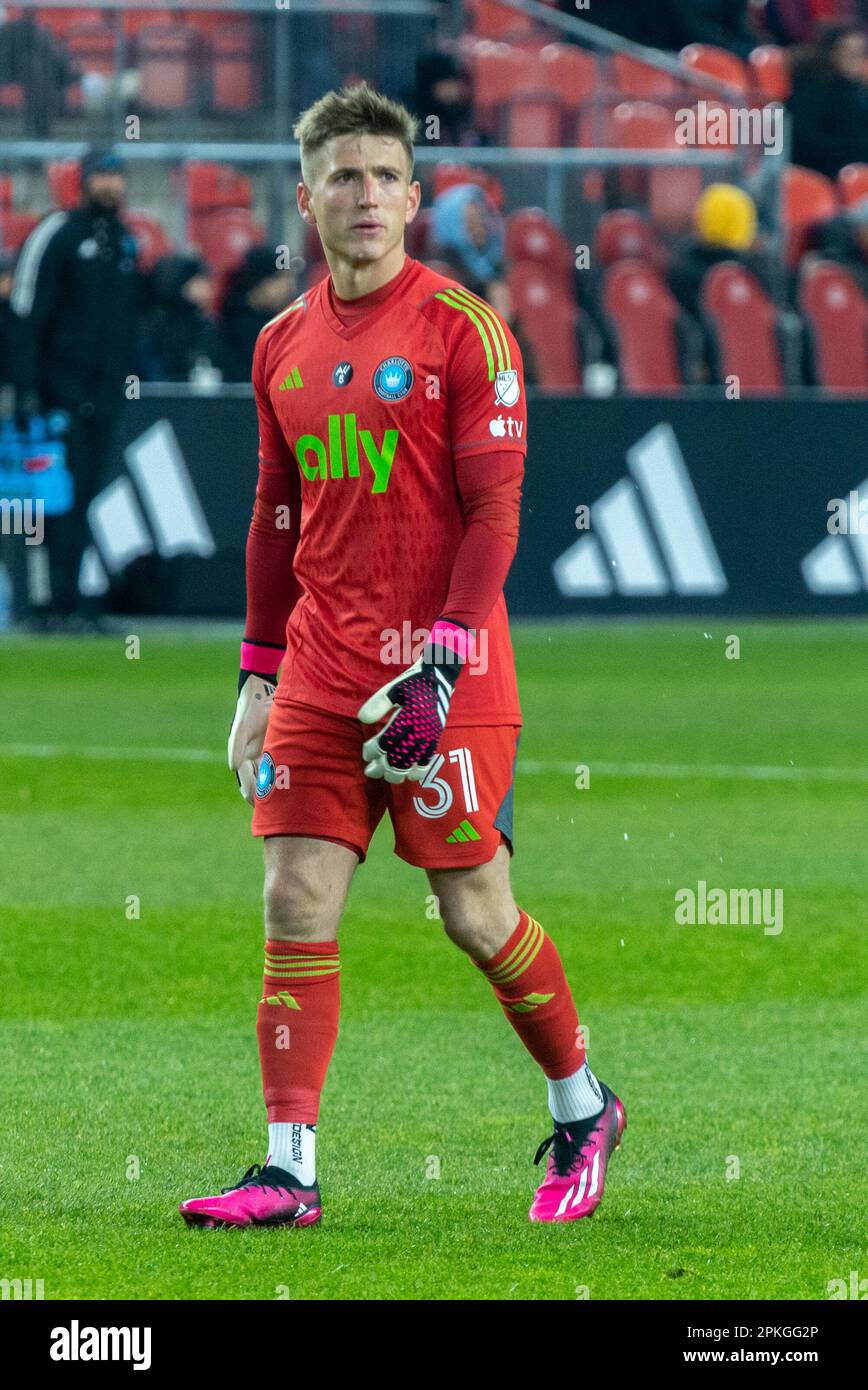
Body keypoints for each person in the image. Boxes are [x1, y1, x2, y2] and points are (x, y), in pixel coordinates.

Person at [178, 81, 626, 1233]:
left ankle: (582, 1105)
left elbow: (496, 516)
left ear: (414, 197)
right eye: (343, 176)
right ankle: (288, 1169)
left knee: (475, 912)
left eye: (384, 176)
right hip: (322, 671)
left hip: (449, 674)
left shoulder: (464, 331)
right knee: (292, 896)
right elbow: (274, 519)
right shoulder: (279, 340)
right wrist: (256, 676)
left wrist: (437, 664)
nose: (365, 195)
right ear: (308, 198)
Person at [10, 144, 144, 631]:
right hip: (57, 394)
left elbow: (131, 320)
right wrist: (25, 391)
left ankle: (68, 600)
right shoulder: (57, 234)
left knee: (84, 496)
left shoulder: (124, 243)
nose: (111, 186)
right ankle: (43, 602)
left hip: (103, 398)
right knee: (50, 499)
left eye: (117, 177)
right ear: (83, 181)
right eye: (102, 177)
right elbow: (26, 313)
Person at [788, 24, 868, 176]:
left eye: (860, 53)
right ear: (830, 53)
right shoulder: (810, 89)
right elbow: (809, 144)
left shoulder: (857, 90)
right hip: (821, 171)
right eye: (848, 53)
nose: (856, 59)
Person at [218, 246, 298, 382]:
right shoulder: (230, 328)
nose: (289, 286)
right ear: (258, 282)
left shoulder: (289, 323)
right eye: (279, 278)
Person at [140, 253, 224, 382]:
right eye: (200, 281)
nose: (208, 289)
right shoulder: (155, 323)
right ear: (180, 283)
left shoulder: (205, 324)